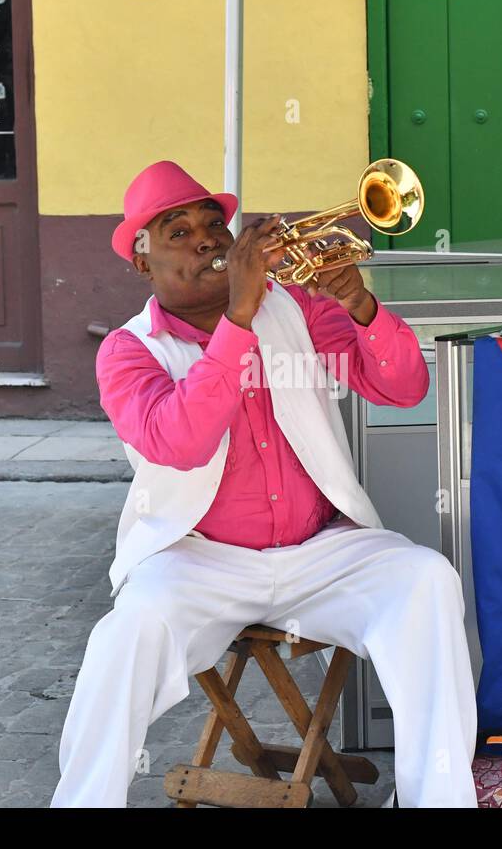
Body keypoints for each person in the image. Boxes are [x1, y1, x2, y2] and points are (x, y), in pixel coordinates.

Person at [50, 160, 478, 807]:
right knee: (122, 639)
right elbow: (180, 442)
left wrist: (360, 305)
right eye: (178, 231)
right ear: (143, 264)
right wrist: (239, 321)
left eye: (213, 225)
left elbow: (401, 386)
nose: (205, 239)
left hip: (320, 550)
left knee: (428, 583)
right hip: (198, 557)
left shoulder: (297, 308)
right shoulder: (128, 351)